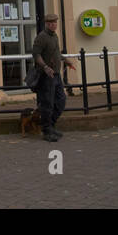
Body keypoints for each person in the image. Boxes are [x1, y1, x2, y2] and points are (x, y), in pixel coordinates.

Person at [30, 14, 75, 142]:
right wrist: (45, 67)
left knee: (61, 101)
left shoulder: (54, 36)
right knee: (47, 103)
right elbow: (36, 54)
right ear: (46, 24)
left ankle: (51, 125)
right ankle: (46, 130)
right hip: (46, 76)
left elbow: (56, 52)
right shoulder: (41, 37)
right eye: (50, 23)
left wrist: (65, 60)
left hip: (56, 74)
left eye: (55, 22)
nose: (53, 25)